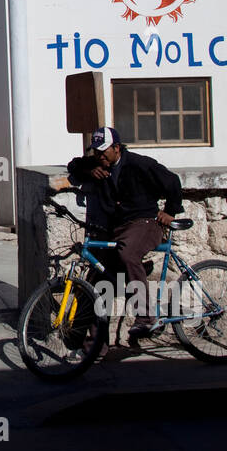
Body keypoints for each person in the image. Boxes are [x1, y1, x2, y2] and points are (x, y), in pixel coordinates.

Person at [66, 126, 184, 342]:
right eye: (96, 152)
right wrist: (89, 172)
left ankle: (145, 316)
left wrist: (170, 211)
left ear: (117, 148)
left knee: (127, 253)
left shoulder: (139, 164)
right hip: (118, 230)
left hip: (145, 223)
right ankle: (95, 346)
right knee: (100, 278)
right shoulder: (98, 164)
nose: (100, 156)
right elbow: (74, 165)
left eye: (104, 151)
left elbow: (172, 181)